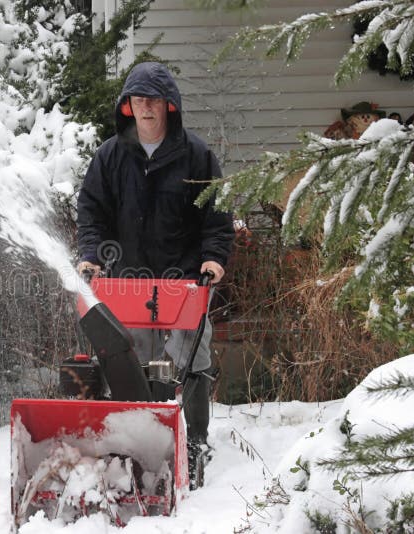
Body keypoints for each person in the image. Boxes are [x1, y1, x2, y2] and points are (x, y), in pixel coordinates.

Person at [75, 62, 235, 472]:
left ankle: (195, 442)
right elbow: (92, 212)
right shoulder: (110, 156)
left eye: (153, 101)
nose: (145, 108)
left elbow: (216, 214)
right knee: (134, 360)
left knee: (191, 357)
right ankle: (140, 445)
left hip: (184, 278)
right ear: (127, 107)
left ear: (169, 106)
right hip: (129, 281)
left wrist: (213, 258)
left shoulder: (196, 156)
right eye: (137, 100)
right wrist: (91, 254)